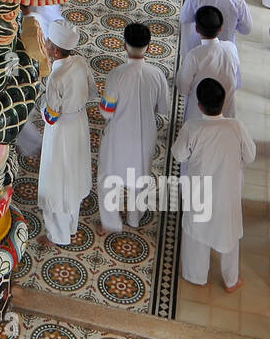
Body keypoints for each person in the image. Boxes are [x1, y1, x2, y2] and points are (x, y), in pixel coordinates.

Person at [172, 78, 255, 290]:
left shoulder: (193, 128)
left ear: (199, 105)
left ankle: (196, 276)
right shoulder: (236, 127)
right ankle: (231, 280)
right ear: (224, 102)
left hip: (201, 191)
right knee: (228, 235)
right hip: (228, 189)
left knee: (196, 234)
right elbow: (250, 156)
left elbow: (178, 155)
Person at [96, 22, 171, 233]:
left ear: (124, 45)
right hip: (145, 134)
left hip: (118, 134)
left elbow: (106, 111)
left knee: (108, 176)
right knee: (140, 176)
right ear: (149, 46)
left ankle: (110, 222)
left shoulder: (116, 74)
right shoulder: (157, 75)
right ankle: (135, 218)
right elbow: (163, 108)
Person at [37, 20, 99, 246]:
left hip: (61, 129)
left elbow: (51, 116)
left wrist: (38, 102)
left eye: (48, 41)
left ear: (54, 50)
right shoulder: (81, 62)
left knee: (57, 181)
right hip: (79, 123)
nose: (45, 43)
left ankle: (58, 235)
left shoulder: (56, 77)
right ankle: (71, 227)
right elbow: (92, 91)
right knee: (72, 177)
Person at [176, 5, 241, 120]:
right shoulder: (231, 47)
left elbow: (183, 87)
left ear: (196, 29)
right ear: (221, 28)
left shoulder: (194, 55)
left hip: (199, 114)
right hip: (227, 111)